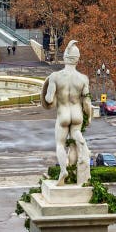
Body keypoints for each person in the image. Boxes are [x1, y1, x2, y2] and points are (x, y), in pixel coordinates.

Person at [42, 40, 92, 186]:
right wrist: (88, 116)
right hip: (77, 115)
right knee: (76, 134)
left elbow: (49, 99)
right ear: (77, 59)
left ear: (64, 57)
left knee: (60, 144)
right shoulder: (83, 79)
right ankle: (80, 141)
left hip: (63, 115)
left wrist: (48, 94)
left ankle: (64, 170)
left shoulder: (55, 77)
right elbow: (87, 102)